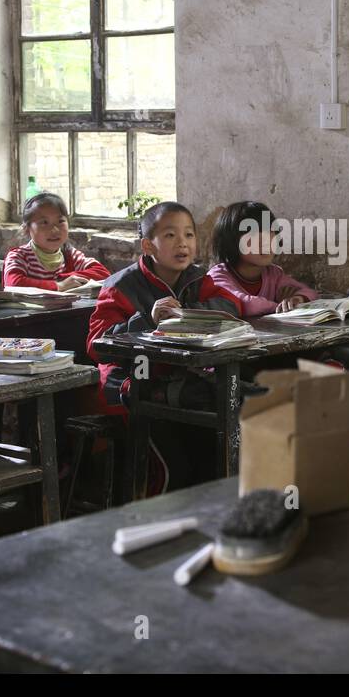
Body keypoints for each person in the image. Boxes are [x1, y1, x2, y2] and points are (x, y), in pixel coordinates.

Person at [86, 202, 243, 491]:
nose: (182, 243)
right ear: (148, 245)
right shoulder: (121, 286)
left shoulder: (197, 278)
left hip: (176, 379)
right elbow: (98, 343)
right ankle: (155, 513)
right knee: (172, 465)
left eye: (189, 235)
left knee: (215, 447)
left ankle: (203, 515)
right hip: (131, 381)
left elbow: (230, 306)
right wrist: (147, 319)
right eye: (170, 236)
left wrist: (185, 311)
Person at [207, 201, 349, 391]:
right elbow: (243, 303)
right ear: (232, 240)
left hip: (276, 349)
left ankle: (333, 373)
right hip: (241, 356)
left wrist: (297, 299)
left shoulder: (272, 273)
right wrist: (277, 305)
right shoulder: (219, 275)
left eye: (271, 233)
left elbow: (309, 292)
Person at [4, 192, 111, 291]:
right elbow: (14, 283)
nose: (55, 230)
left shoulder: (70, 255)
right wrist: (60, 285)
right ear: (27, 229)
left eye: (60, 221)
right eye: (44, 222)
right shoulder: (19, 257)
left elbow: (103, 273)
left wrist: (66, 278)